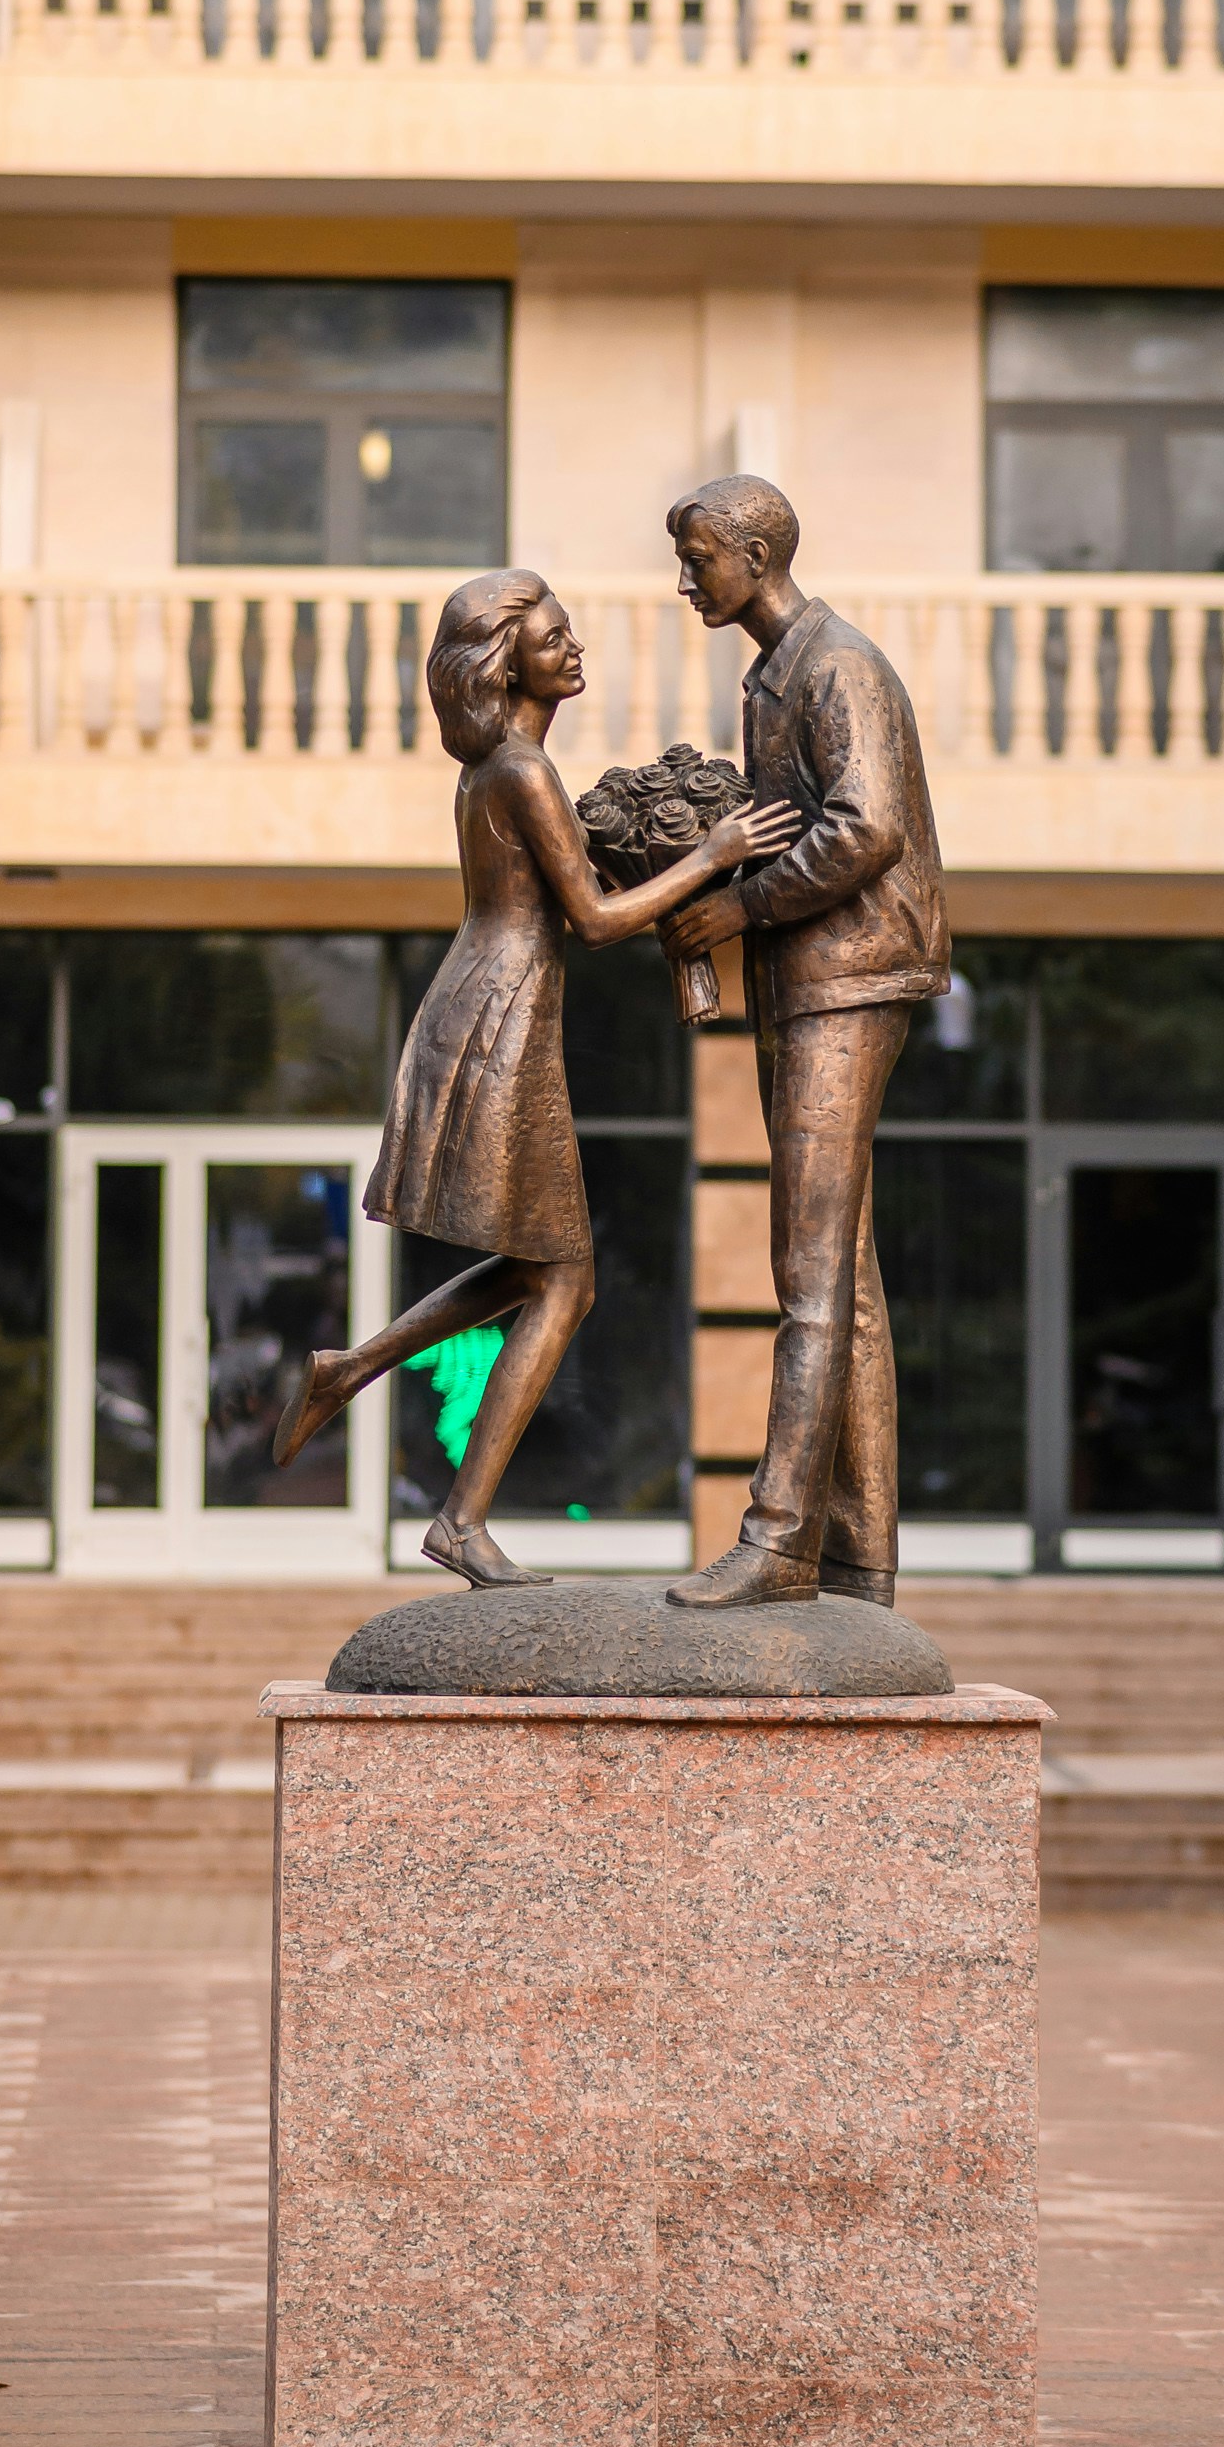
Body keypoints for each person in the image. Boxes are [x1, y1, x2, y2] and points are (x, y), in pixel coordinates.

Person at [271, 566, 795, 1590]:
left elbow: (585, 889)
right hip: (501, 1018)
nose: (574, 647)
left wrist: (658, 849)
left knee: (539, 1270)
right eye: (554, 635)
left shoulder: (508, 769)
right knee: (565, 1278)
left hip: (496, 1003)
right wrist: (716, 850)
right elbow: (595, 923)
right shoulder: (517, 770)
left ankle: (349, 1369)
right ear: (504, 660)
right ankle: (458, 1517)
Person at [660, 477, 950, 1612]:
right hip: (810, 979)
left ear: (755, 550)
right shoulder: (773, 671)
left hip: (849, 976)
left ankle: (780, 1536)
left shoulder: (835, 663)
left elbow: (868, 824)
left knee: (810, 1264)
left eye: (697, 557)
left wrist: (740, 907)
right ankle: (859, 1557)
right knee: (847, 1274)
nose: (686, 578)